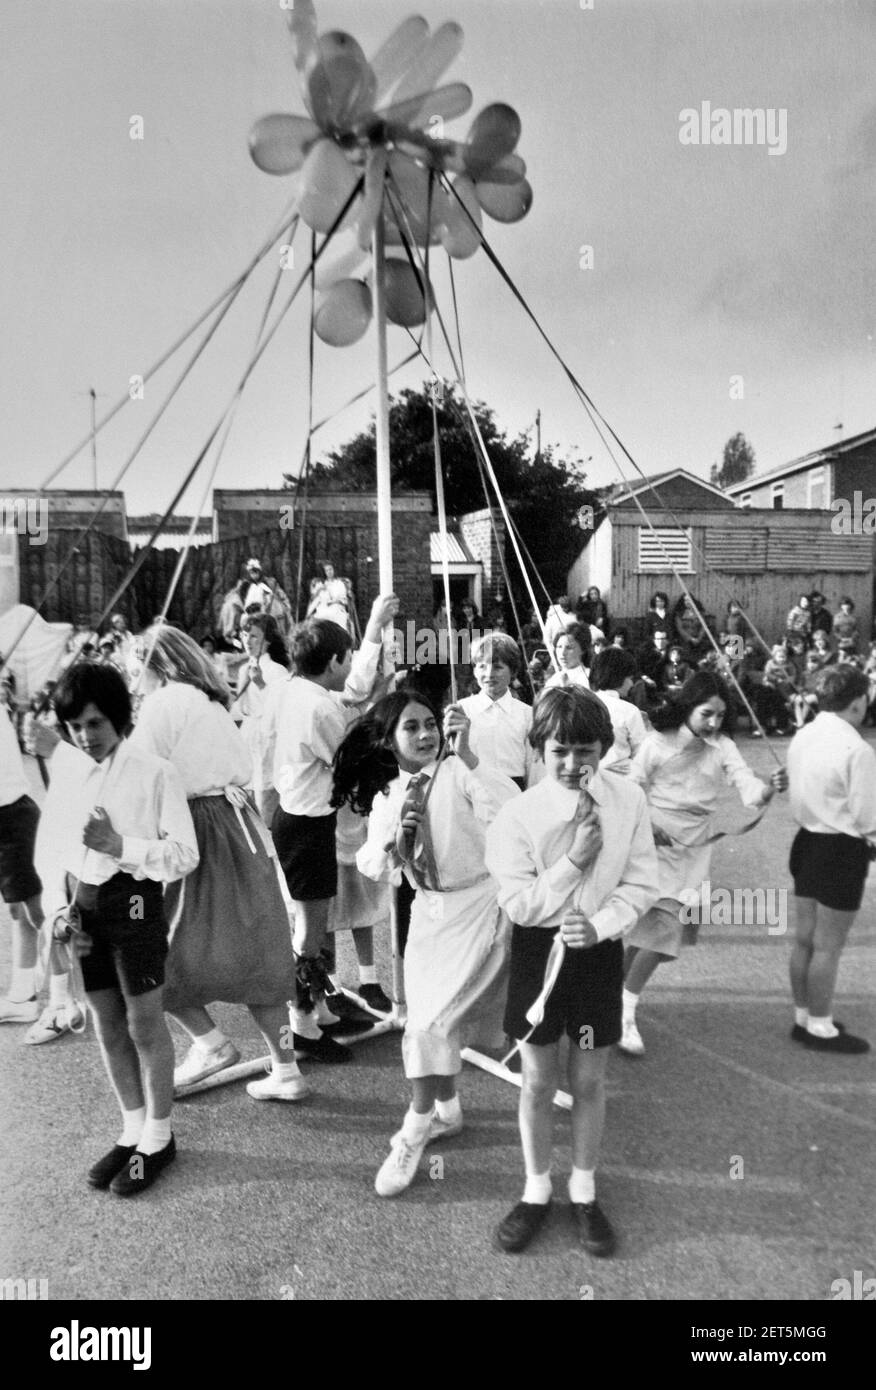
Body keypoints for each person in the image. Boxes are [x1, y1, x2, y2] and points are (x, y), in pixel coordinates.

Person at [484, 687, 658, 1255]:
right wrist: (574, 861)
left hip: (597, 956)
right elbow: (519, 904)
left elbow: (641, 881)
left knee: (587, 1081)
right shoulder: (519, 813)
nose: (572, 764)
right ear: (539, 749)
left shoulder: (629, 800)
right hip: (539, 954)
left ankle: (583, 1189)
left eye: (585, 750)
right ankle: (536, 1191)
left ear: (605, 748)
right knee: (538, 1081)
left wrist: (604, 924)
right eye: (559, 751)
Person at [342, 692, 518, 1197]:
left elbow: (507, 813)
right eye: (411, 728)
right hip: (428, 914)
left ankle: (415, 1129)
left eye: (429, 724)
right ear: (389, 740)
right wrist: (392, 844)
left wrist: (469, 757)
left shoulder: (460, 772)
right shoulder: (387, 794)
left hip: (481, 904)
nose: (425, 735)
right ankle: (448, 1109)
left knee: (430, 1025)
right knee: (426, 1021)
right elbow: (371, 864)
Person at [127, 627, 308, 1102]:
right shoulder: (209, 703)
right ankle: (286, 1068)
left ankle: (210, 1043)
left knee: (155, 946)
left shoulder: (163, 704)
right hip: (238, 824)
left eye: (136, 665)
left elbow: (138, 774)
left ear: (155, 664)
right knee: (257, 953)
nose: (132, 674)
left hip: (196, 827)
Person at [38, 663, 198, 1194]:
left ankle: (159, 1136)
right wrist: (59, 910)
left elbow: (184, 856)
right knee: (106, 1024)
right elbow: (56, 850)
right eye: (75, 726)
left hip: (132, 905)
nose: (85, 737)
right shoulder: (69, 770)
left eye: (95, 724)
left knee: (143, 1025)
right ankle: (131, 1131)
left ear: (120, 717)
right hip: (82, 912)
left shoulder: (155, 772)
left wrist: (119, 846)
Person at [620, 672, 787, 1055]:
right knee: (664, 930)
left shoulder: (723, 746)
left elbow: (747, 785)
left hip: (696, 848)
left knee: (657, 937)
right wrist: (645, 827)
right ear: (688, 707)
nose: (713, 722)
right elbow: (631, 787)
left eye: (719, 715)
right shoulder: (657, 742)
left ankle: (613, 997)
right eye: (706, 713)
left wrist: (769, 787)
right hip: (656, 844)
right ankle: (625, 1012)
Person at [264, 595, 398, 1062]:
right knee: (309, 930)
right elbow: (348, 759)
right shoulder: (319, 708)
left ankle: (317, 1010)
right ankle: (301, 1023)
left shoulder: (300, 692)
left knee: (312, 925)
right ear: (334, 661)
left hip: (299, 821)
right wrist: (379, 707)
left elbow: (353, 690)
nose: (349, 673)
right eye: (346, 662)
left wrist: (375, 628)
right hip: (305, 826)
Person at [786, 666, 874, 1054]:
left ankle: (803, 1015)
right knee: (828, 946)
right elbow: (868, 814)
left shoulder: (802, 735)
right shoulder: (857, 748)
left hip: (806, 842)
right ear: (858, 702)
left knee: (805, 940)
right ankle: (820, 1027)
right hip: (841, 849)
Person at [0, 704, 80, 1043]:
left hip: (11, 815)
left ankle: (63, 1004)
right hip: (7, 817)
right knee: (19, 910)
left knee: (41, 915)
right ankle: (22, 997)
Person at [231, 613, 289, 826]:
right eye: (245, 634)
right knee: (247, 795)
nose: (248, 640)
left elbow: (280, 711)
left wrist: (261, 684)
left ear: (268, 640)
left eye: (254, 636)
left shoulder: (277, 670)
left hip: (268, 738)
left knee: (266, 797)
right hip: (248, 735)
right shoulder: (243, 669)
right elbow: (241, 710)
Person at [459, 633, 536, 790]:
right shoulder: (462, 709)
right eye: (482, 666)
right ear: (474, 671)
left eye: (497, 667)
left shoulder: (527, 714)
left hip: (514, 791)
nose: (488, 674)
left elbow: (532, 766)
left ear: (513, 671)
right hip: (473, 790)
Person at [588, 648, 648, 775]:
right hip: (622, 779)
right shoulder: (629, 711)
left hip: (586, 777)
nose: (632, 684)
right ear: (619, 677)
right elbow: (642, 755)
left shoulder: (581, 704)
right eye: (630, 678)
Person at [307, 561, 356, 635]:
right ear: (324, 572)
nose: (329, 572)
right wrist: (319, 590)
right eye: (327, 570)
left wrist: (334, 602)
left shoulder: (339, 583)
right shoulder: (321, 585)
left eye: (330, 569)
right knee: (319, 617)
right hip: (323, 608)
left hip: (337, 606)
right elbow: (314, 599)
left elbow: (344, 599)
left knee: (335, 615)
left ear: (334, 570)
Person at [545, 623, 591, 691]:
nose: (562, 653)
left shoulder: (589, 678)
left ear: (583, 650)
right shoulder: (554, 679)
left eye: (569, 648)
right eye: (559, 647)